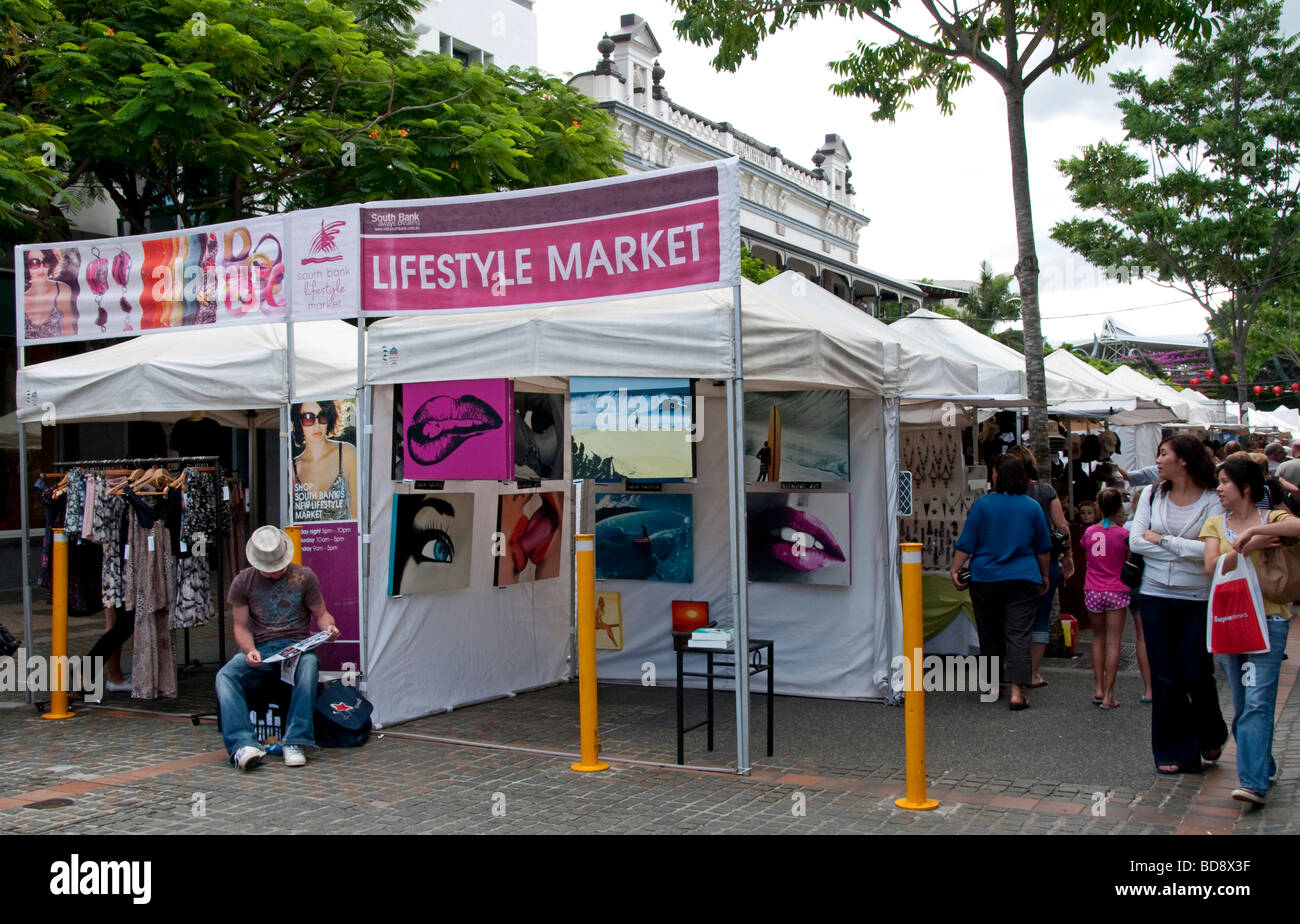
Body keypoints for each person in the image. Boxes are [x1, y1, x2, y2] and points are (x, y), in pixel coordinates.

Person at [1201, 456, 1298, 805]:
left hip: (1269, 621)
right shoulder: (1215, 523)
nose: (1219, 489)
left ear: (1244, 486)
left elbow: (1296, 527)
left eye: (1224, 482)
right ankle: (1263, 763)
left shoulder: (1272, 517)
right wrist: (1247, 548)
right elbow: (1212, 565)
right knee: (1242, 706)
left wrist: (1256, 531)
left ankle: (1253, 782)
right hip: (1231, 622)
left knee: (1257, 701)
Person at [1128, 434, 1227, 775]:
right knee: (1165, 675)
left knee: (1196, 672)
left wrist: (1167, 540)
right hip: (1155, 592)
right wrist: (1184, 548)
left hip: (1196, 596)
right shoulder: (1152, 494)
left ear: (1183, 459)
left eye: (1163, 454)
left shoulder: (1213, 499)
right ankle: (1172, 750)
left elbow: (1210, 553)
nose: (1157, 460)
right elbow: (1137, 541)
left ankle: (1210, 732)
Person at [216, 525, 338, 769]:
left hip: (297, 647)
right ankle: (242, 744)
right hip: (262, 649)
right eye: (270, 569)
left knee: (310, 663)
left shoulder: (304, 577)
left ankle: (295, 740)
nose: (277, 572)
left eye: (280, 565)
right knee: (225, 675)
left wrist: (329, 629)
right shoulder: (243, 581)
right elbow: (240, 627)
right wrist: (250, 650)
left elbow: (322, 614)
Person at [950, 454, 1051, 711]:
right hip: (1023, 576)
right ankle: (1017, 691)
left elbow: (967, 542)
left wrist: (955, 569)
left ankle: (992, 685)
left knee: (989, 632)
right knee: (1018, 634)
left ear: (998, 475)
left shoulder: (983, 505)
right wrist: (1045, 575)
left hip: (986, 577)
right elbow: (1043, 547)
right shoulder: (1032, 507)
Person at [1008, 445, 1074, 688]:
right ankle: (1033, 673)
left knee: (1015, 618)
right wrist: (1069, 556)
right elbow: (1062, 528)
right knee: (1041, 618)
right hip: (1045, 561)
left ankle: (1016, 668)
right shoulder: (1045, 491)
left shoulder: (1005, 495)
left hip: (1014, 562)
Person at [1084, 488, 1134, 710]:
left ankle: (1098, 688)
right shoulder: (1124, 535)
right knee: (1114, 641)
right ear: (1119, 508)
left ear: (1099, 507)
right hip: (1116, 588)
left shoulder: (1089, 532)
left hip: (1093, 588)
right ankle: (1109, 695)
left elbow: (1086, 552)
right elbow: (1129, 561)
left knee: (1097, 638)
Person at [291, 400, 358, 521]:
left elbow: (358, 514)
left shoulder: (346, 453)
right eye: (308, 418)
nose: (316, 425)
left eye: (322, 416)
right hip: (307, 539)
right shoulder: (293, 467)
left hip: (343, 538)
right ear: (298, 422)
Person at [23, 248, 77, 340]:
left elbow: (69, 330)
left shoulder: (61, 290)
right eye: (35, 262)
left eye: (46, 261)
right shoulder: (22, 298)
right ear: (27, 266)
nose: (42, 267)